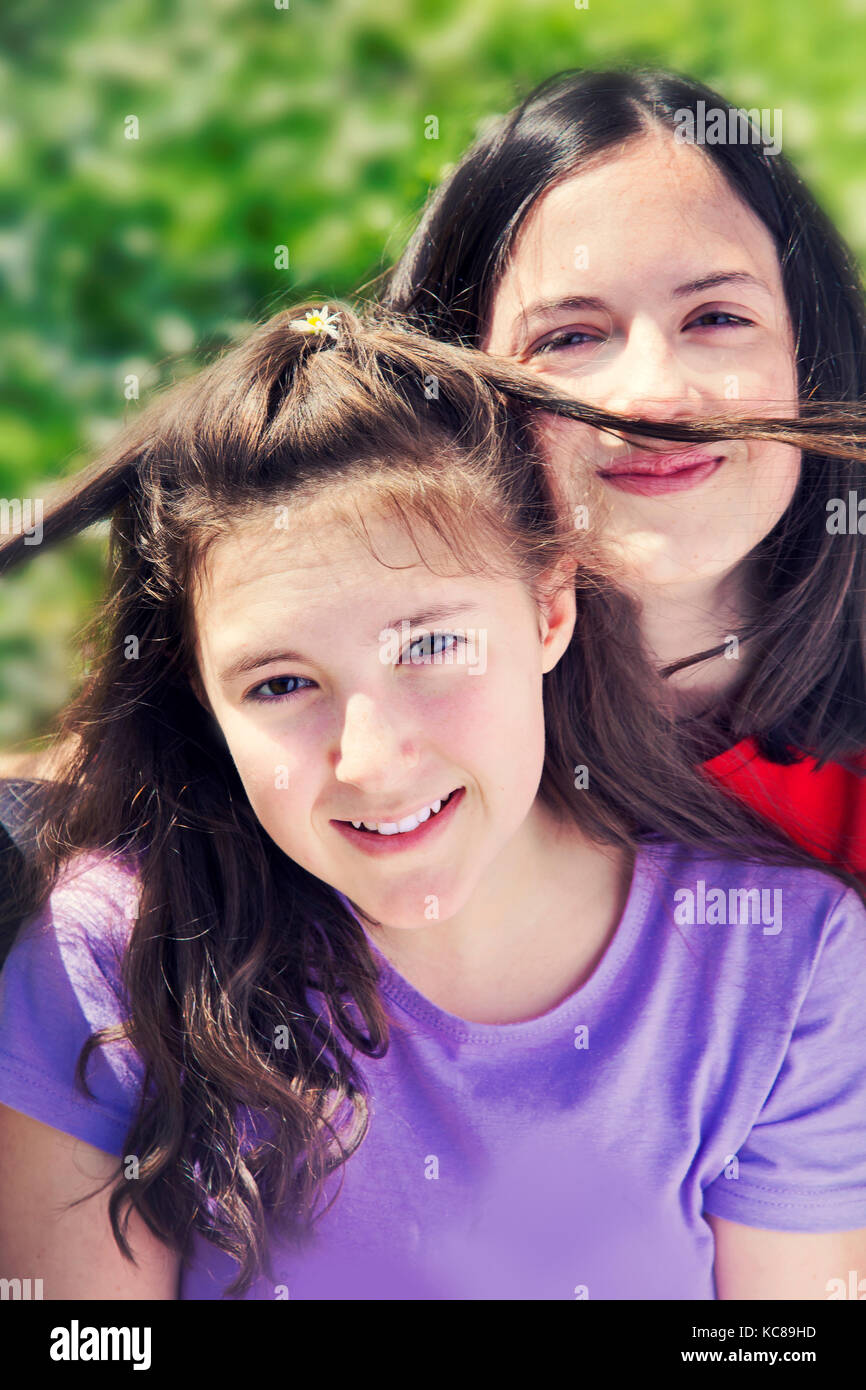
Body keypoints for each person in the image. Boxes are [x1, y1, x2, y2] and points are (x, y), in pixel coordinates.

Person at [0, 303, 865, 1301]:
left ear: (547, 610)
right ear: (203, 693)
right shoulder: (114, 957)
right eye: (280, 685)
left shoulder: (781, 963)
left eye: (430, 647)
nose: (370, 761)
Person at [383, 65, 866, 877]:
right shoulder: (364, 745)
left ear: (811, 355)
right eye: (569, 336)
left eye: (716, 317)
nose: (653, 395)